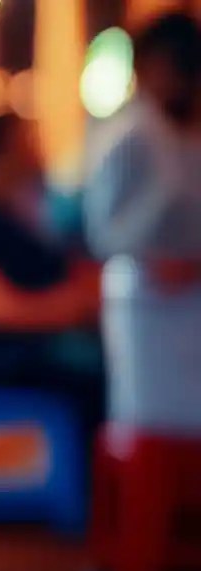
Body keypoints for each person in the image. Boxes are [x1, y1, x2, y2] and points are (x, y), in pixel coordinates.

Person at [0, 113, 103, 421]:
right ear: (2, 152)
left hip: (33, 362)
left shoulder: (23, 218)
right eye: (26, 140)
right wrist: (74, 308)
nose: (37, 149)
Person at [84, 12, 201, 436]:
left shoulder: (187, 135)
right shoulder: (127, 136)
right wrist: (155, 262)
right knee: (151, 423)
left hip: (193, 301)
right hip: (144, 302)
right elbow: (103, 234)